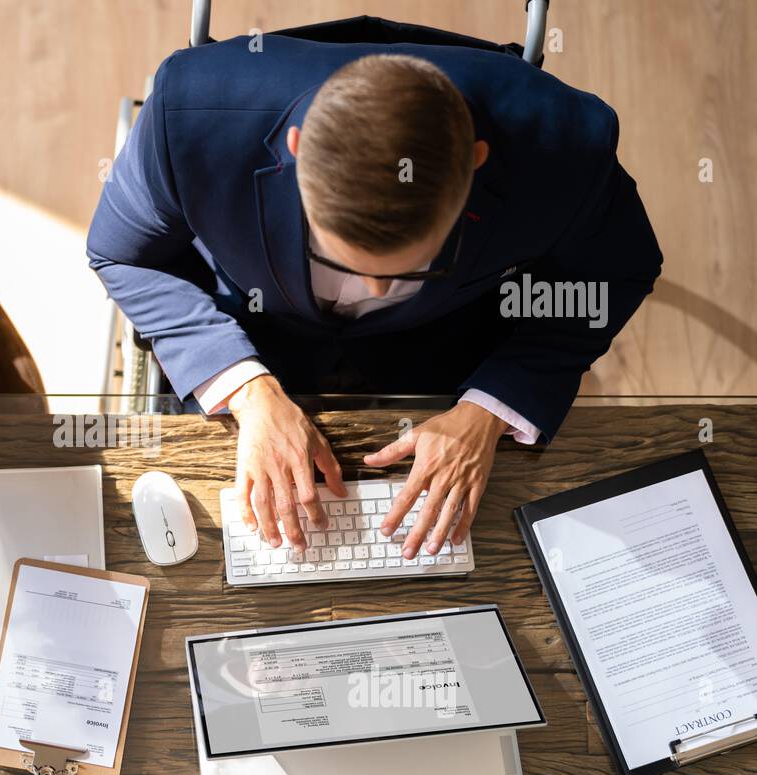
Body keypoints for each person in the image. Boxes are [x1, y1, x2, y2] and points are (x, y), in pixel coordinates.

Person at [88, 31, 662, 559]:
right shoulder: (188, 116)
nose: (374, 292)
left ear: (476, 166)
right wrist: (247, 389)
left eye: (412, 264)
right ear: (296, 150)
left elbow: (618, 270)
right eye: (338, 257)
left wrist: (490, 408)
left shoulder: (564, 150)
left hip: (451, 347)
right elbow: (121, 253)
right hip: (247, 330)